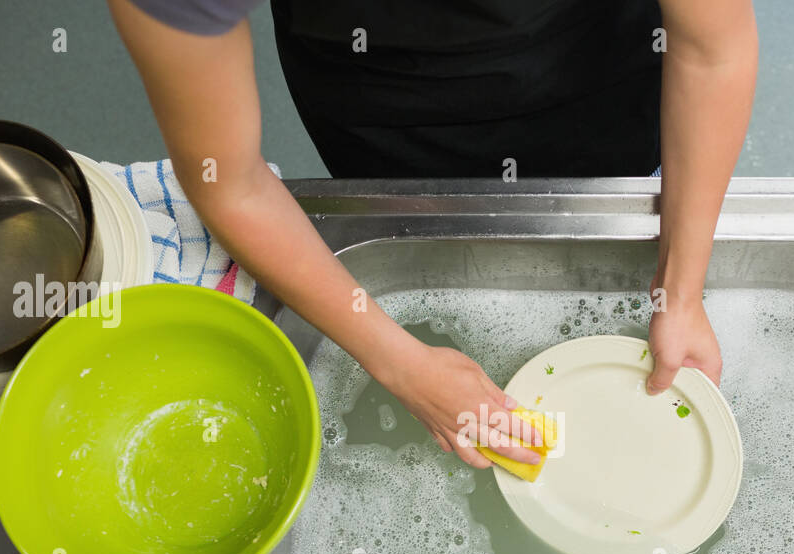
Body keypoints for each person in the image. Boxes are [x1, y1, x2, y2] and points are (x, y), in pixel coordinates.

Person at [108, 0, 757, 469]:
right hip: (383, 113)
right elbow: (230, 182)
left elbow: (712, 50)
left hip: (601, 79)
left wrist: (682, 286)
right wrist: (400, 363)